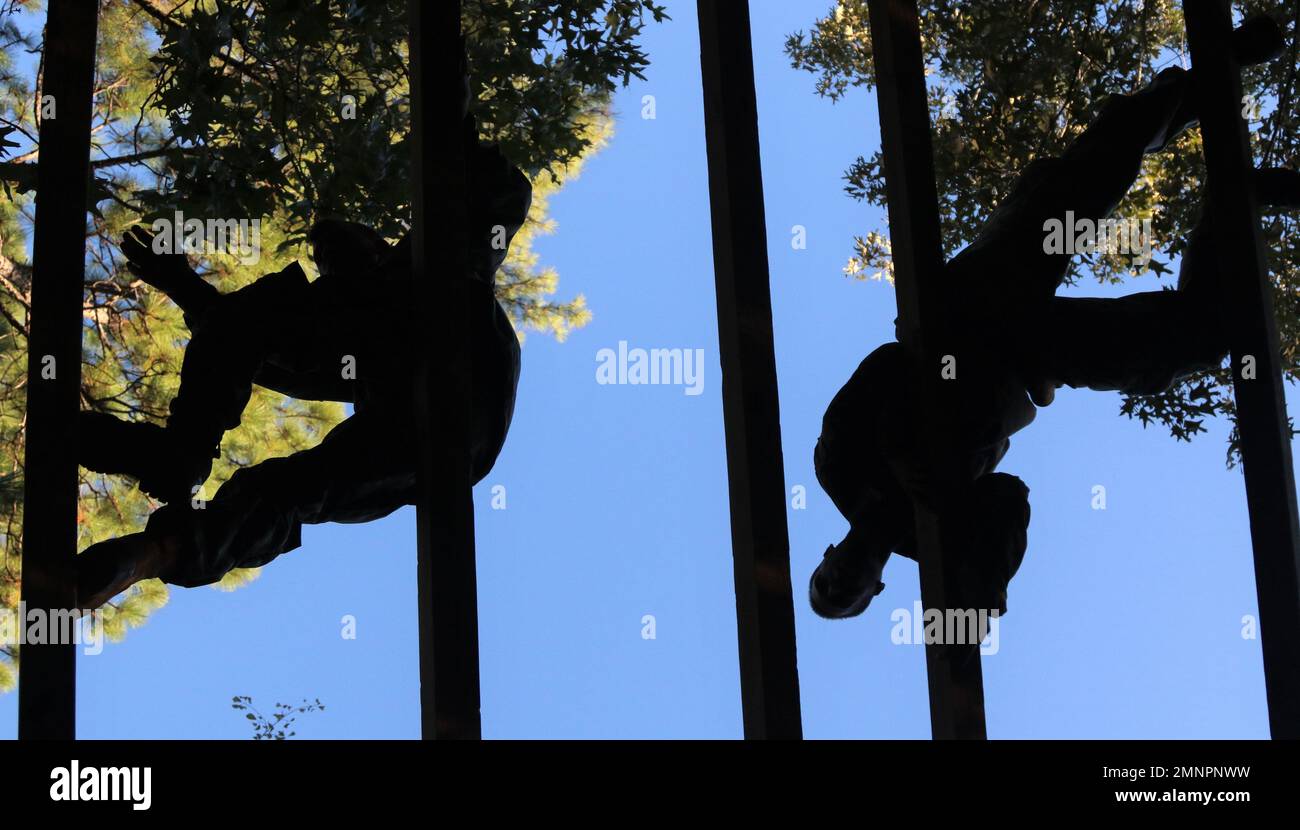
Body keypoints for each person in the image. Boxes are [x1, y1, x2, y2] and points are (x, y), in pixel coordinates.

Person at [809, 15, 1297, 621]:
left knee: (1085, 179)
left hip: (973, 309)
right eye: (846, 598)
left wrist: (900, 444)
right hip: (1028, 357)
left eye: (825, 584)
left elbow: (882, 366)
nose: (839, 584)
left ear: (825, 557)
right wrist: (984, 581)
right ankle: (1233, 204)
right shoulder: (936, 541)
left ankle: (1211, 73)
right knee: (1188, 343)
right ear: (875, 592)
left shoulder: (838, 469)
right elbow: (1009, 499)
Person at [76, 118, 530, 609]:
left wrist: (450, 121)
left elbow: (503, 193)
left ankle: (173, 493)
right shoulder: (364, 342)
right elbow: (257, 344)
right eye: (324, 264)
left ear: (380, 250)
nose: (326, 273)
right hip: (434, 439)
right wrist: (185, 287)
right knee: (283, 490)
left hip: (452, 421)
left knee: (288, 470)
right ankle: (156, 552)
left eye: (335, 258)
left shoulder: (435, 269)